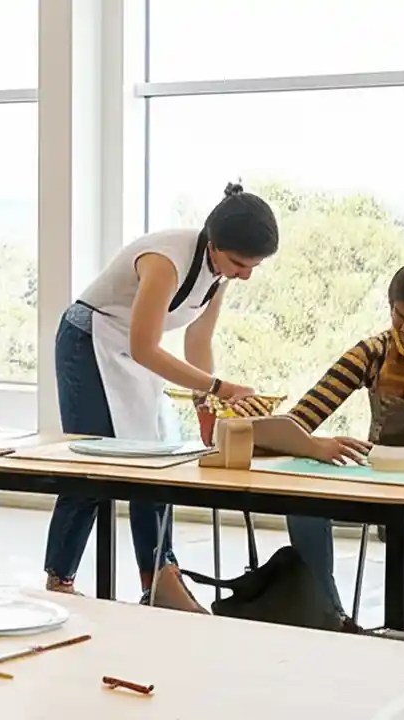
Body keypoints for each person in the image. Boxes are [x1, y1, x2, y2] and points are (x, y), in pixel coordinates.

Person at [42, 183, 278, 609]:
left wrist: (205, 404)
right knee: (96, 463)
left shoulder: (220, 273)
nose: (245, 273)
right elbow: (145, 347)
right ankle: (60, 579)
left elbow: (198, 338)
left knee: (157, 463)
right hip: (88, 341)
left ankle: (158, 579)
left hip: (131, 349)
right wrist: (218, 388)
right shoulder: (165, 259)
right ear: (214, 241)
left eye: (253, 266)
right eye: (241, 263)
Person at [285, 249, 404, 642]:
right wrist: (314, 445)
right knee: (300, 505)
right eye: (399, 317)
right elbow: (298, 419)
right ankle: (331, 618)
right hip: (379, 479)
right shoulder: (373, 352)